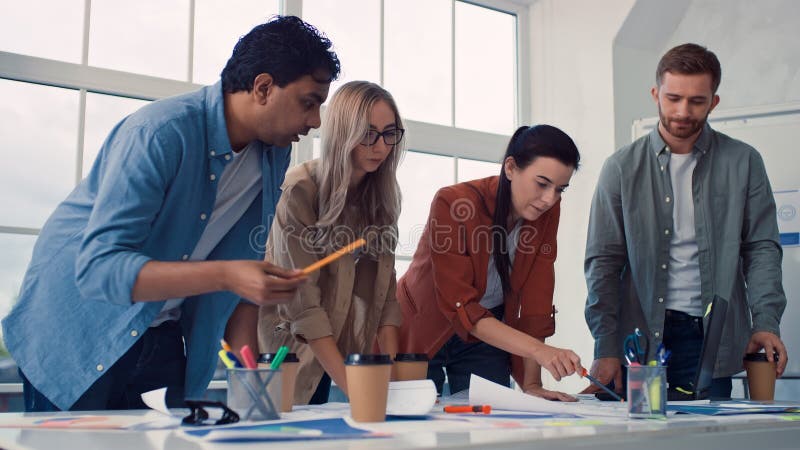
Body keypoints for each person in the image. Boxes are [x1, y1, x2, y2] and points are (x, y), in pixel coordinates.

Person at [1, 16, 340, 411]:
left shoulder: (273, 154)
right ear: (263, 87)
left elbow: (242, 286)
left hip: (161, 335)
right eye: (309, 102)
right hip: (76, 332)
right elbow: (98, 269)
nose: (315, 122)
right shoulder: (160, 133)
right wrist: (228, 276)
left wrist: (252, 382)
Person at [583, 43, 788, 399]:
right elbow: (603, 262)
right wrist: (605, 344)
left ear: (714, 101)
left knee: (707, 438)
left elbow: (762, 250)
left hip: (711, 338)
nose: (682, 111)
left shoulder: (744, 162)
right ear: (655, 94)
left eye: (696, 101)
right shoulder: (620, 168)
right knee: (641, 440)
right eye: (673, 98)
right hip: (641, 339)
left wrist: (766, 323)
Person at [398, 125, 583, 400]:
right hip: (424, 327)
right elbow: (461, 305)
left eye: (560, 189)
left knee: (493, 421)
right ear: (510, 168)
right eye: (542, 184)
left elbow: (537, 300)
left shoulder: (547, 210)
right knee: (416, 427)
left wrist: (532, 384)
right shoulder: (453, 202)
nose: (549, 199)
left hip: (487, 331)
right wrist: (538, 350)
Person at [258, 81, 406, 404]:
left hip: (339, 351)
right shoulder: (301, 190)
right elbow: (304, 306)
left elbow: (386, 300)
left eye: (390, 133)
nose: (380, 146)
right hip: (289, 355)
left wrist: (395, 384)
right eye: (368, 133)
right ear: (343, 132)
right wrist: (359, 391)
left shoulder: (382, 201)